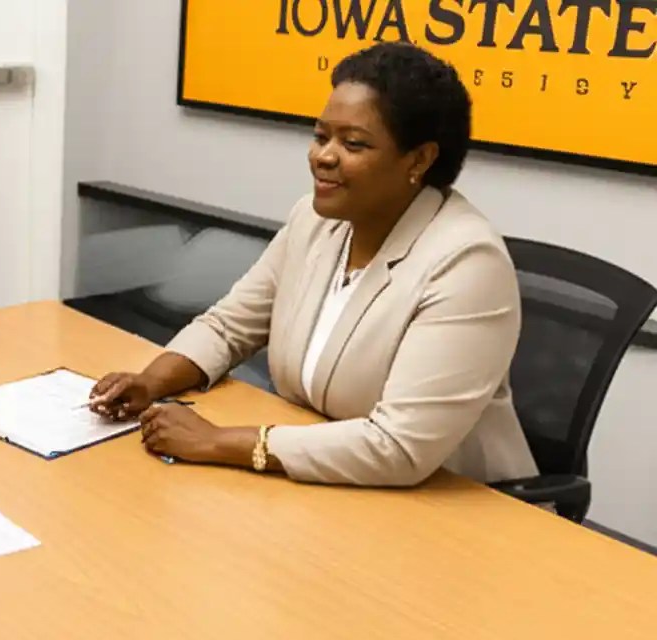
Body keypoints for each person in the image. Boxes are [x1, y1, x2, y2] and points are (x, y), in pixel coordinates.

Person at [91, 42, 538, 488]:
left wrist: (218, 442)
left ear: (419, 159)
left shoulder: (467, 263)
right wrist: (150, 382)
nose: (323, 156)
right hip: (329, 481)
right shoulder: (315, 220)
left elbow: (399, 447)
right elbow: (229, 327)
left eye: (353, 143)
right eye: (321, 137)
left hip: (457, 503)